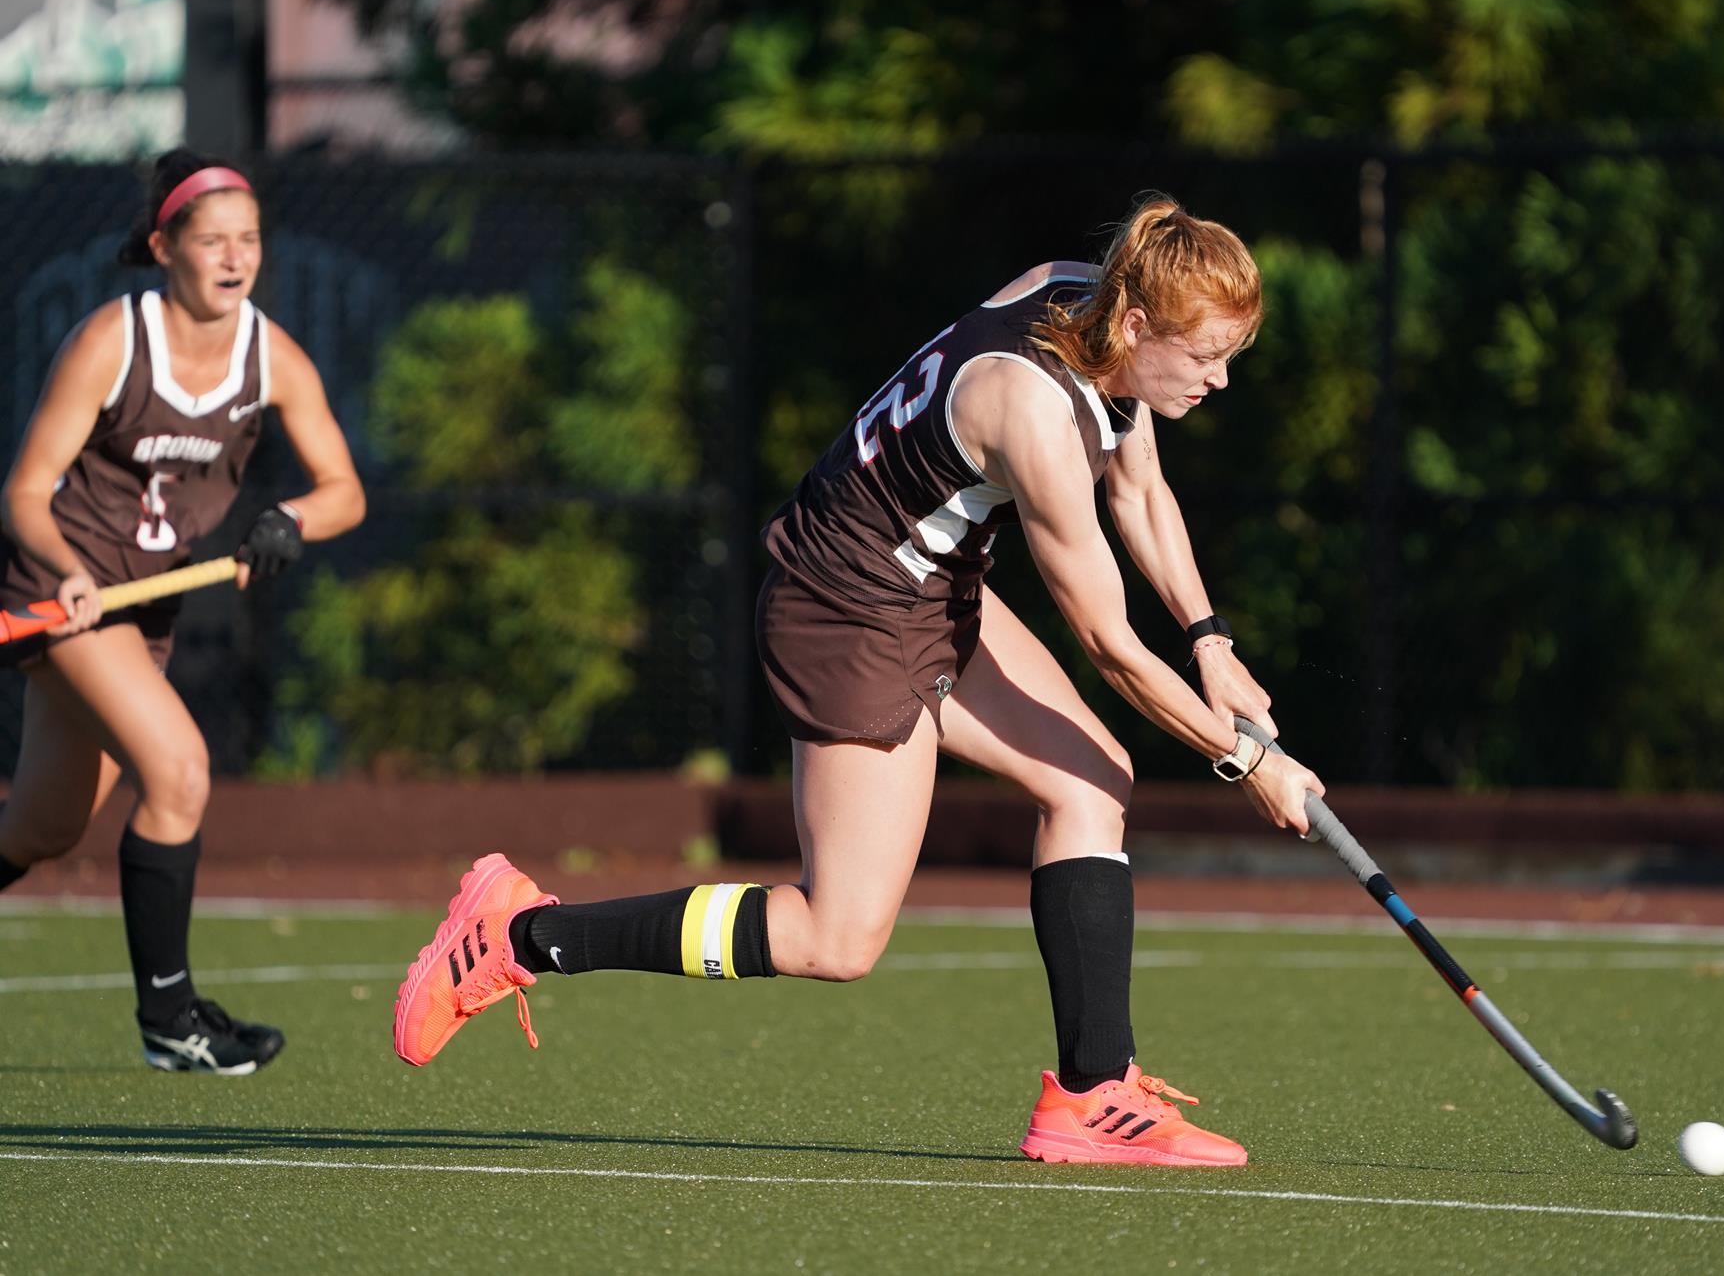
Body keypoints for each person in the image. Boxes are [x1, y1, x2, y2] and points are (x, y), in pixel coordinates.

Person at [393, 194, 1322, 1165]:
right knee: (832, 938)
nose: (1218, 380)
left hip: (929, 582)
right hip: (845, 606)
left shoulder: (1081, 297)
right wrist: (1244, 758)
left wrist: (1211, 641)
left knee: (1092, 780)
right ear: (1137, 326)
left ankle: (1093, 1094)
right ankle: (524, 932)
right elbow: (1108, 645)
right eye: (1206, 357)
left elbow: (1140, 487)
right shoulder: (1034, 412)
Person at [0, 149, 366, 1074]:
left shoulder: (268, 353)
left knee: (41, 830)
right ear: (165, 246)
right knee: (180, 770)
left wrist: (288, 520)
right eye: (213, 241)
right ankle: (171, 1019)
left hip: (145, 603)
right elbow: (24, 494)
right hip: (66, 595)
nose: (236, 257)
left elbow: (344, 491)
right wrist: (68, 570)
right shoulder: (111, 341)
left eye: (249, 240)